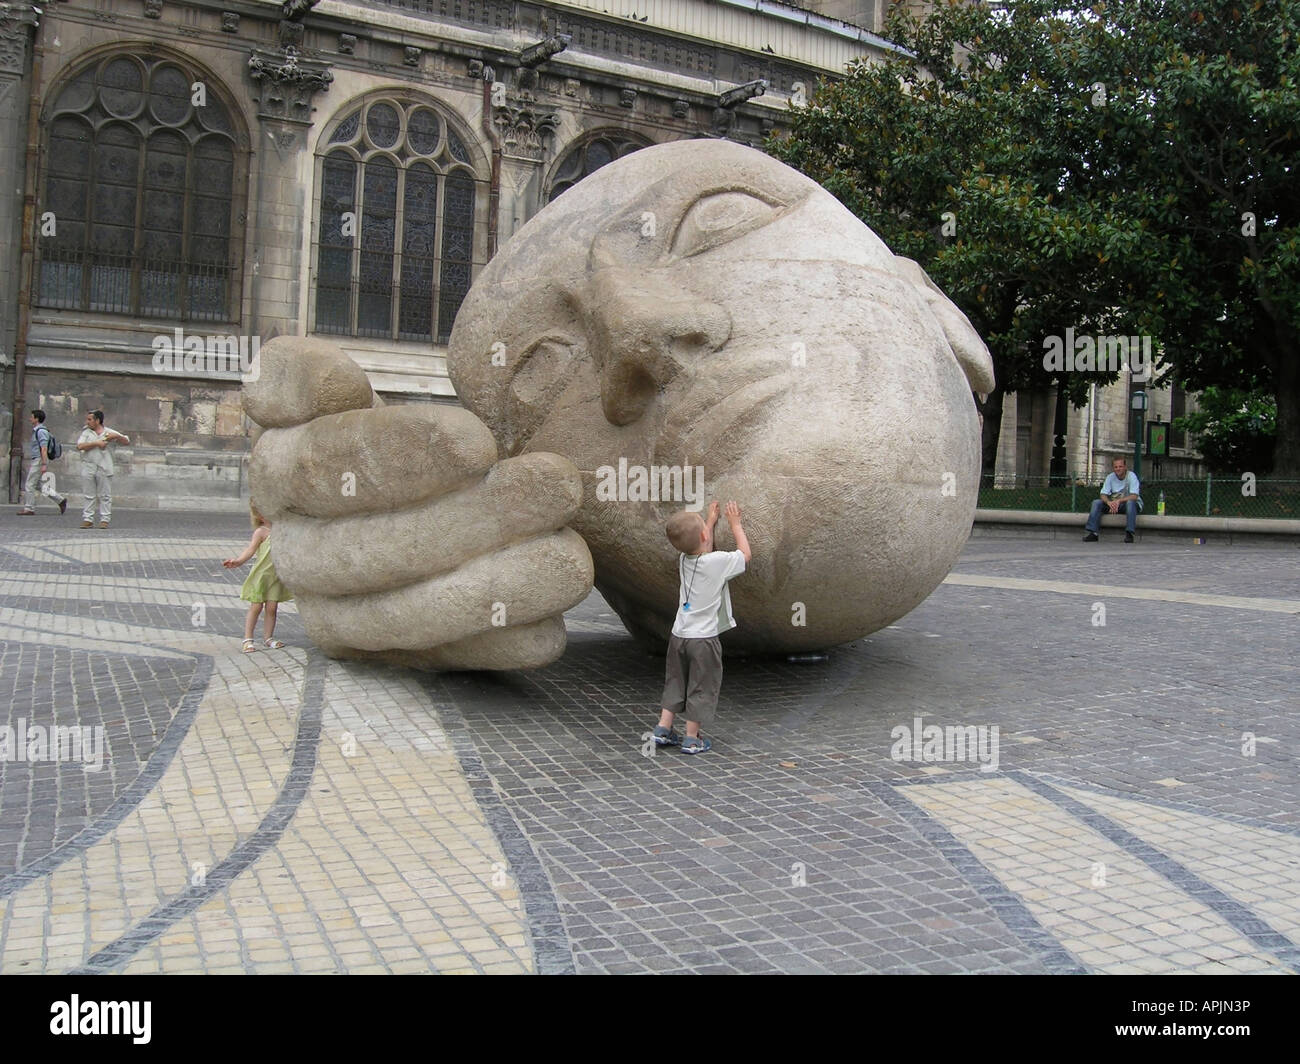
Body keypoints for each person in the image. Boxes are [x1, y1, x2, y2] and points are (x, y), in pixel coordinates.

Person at [649, 500, 751, 755]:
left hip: (679, 635)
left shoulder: (684, 560)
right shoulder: (716, 562)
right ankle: (692, 737)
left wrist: (710, 521)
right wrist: (736, 524)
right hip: (703, 640)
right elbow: (745, 555)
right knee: (701, 685)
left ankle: (663, 728)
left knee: (676, 680)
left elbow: (698, 544)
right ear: (705, 536)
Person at [224, 505, 292, 652]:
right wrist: (238, 561)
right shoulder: (261, 532)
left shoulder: (281, 529)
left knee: (272, 608)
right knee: (256, 607)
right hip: (261, 576)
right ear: (260, 516)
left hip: (275, 576)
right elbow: (251, 549)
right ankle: (248, 639)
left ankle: (268, 638)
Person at [75, 410, 129, 529]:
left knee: (105, 495)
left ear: (97, 420)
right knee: (89, 494)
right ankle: (88, 518)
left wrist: (116, 436)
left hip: (104, 467)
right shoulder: (86, 433)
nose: (87, 422)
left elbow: (126, 441)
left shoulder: (109, 432)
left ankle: (105, 519)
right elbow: (80, 446)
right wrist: (96, 443)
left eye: (90, 419)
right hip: (89, 465)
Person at [17, 409, 68, 517]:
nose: (30, 418)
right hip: (38, 459)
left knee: (29, 484)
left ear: (36, 419)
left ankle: (29, 508)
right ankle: (60, 500)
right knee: (38, 485)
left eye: (32, 417)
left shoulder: (41, 431)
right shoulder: (38, 431)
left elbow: (43, 448)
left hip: (39, 459)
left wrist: (44, 464)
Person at [1084, 456, 1142, 543]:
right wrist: (1109, 502)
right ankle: (1093, 533)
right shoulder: (1110, 477)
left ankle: (1129, 534)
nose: (1118, 469)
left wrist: (1119, 501)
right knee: (1096, 502)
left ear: (1125, 467)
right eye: (1116, 467)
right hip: (1114, 504)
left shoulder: (1131, 476)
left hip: (1129, 505)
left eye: (1120, 466)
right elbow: (1103, 494)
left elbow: (1134, 496)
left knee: (1130, 503)